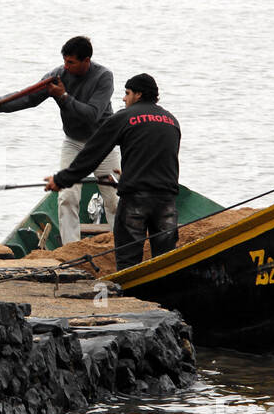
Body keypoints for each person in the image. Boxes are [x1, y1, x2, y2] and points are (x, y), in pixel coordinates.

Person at [0, 35, 119, 245]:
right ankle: (70, 249)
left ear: (86, 61)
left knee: (113, 198)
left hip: (103, 143)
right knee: (67, 197)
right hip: (73, 141)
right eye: (64, 60)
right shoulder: (58, 74)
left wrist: (63, 97)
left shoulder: (103, 77)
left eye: (71, 62)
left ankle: (123, 244)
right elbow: (28, 97)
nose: (65, 66)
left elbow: (92, 114)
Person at [44, 73, 180, 272]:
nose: (124, 98)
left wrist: (62, 179)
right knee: (166, 261)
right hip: (167, 200)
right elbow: (160, 159)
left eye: (127, 93)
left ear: (138, 94)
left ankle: (128, 295)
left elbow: (92, 154)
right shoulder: (171, 120)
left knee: (128, 262)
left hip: (135, 200)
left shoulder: (125, 117)